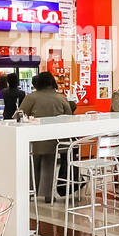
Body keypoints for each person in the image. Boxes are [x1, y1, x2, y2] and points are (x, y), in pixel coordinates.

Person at [20, 72, 76, 200]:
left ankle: (30, 192)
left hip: (35, 139)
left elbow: (19, 114)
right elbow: (69, 115)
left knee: (33, 165)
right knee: (49, 166)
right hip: (55, 140)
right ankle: (48, 195)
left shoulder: (31, 97)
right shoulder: (60, 98)